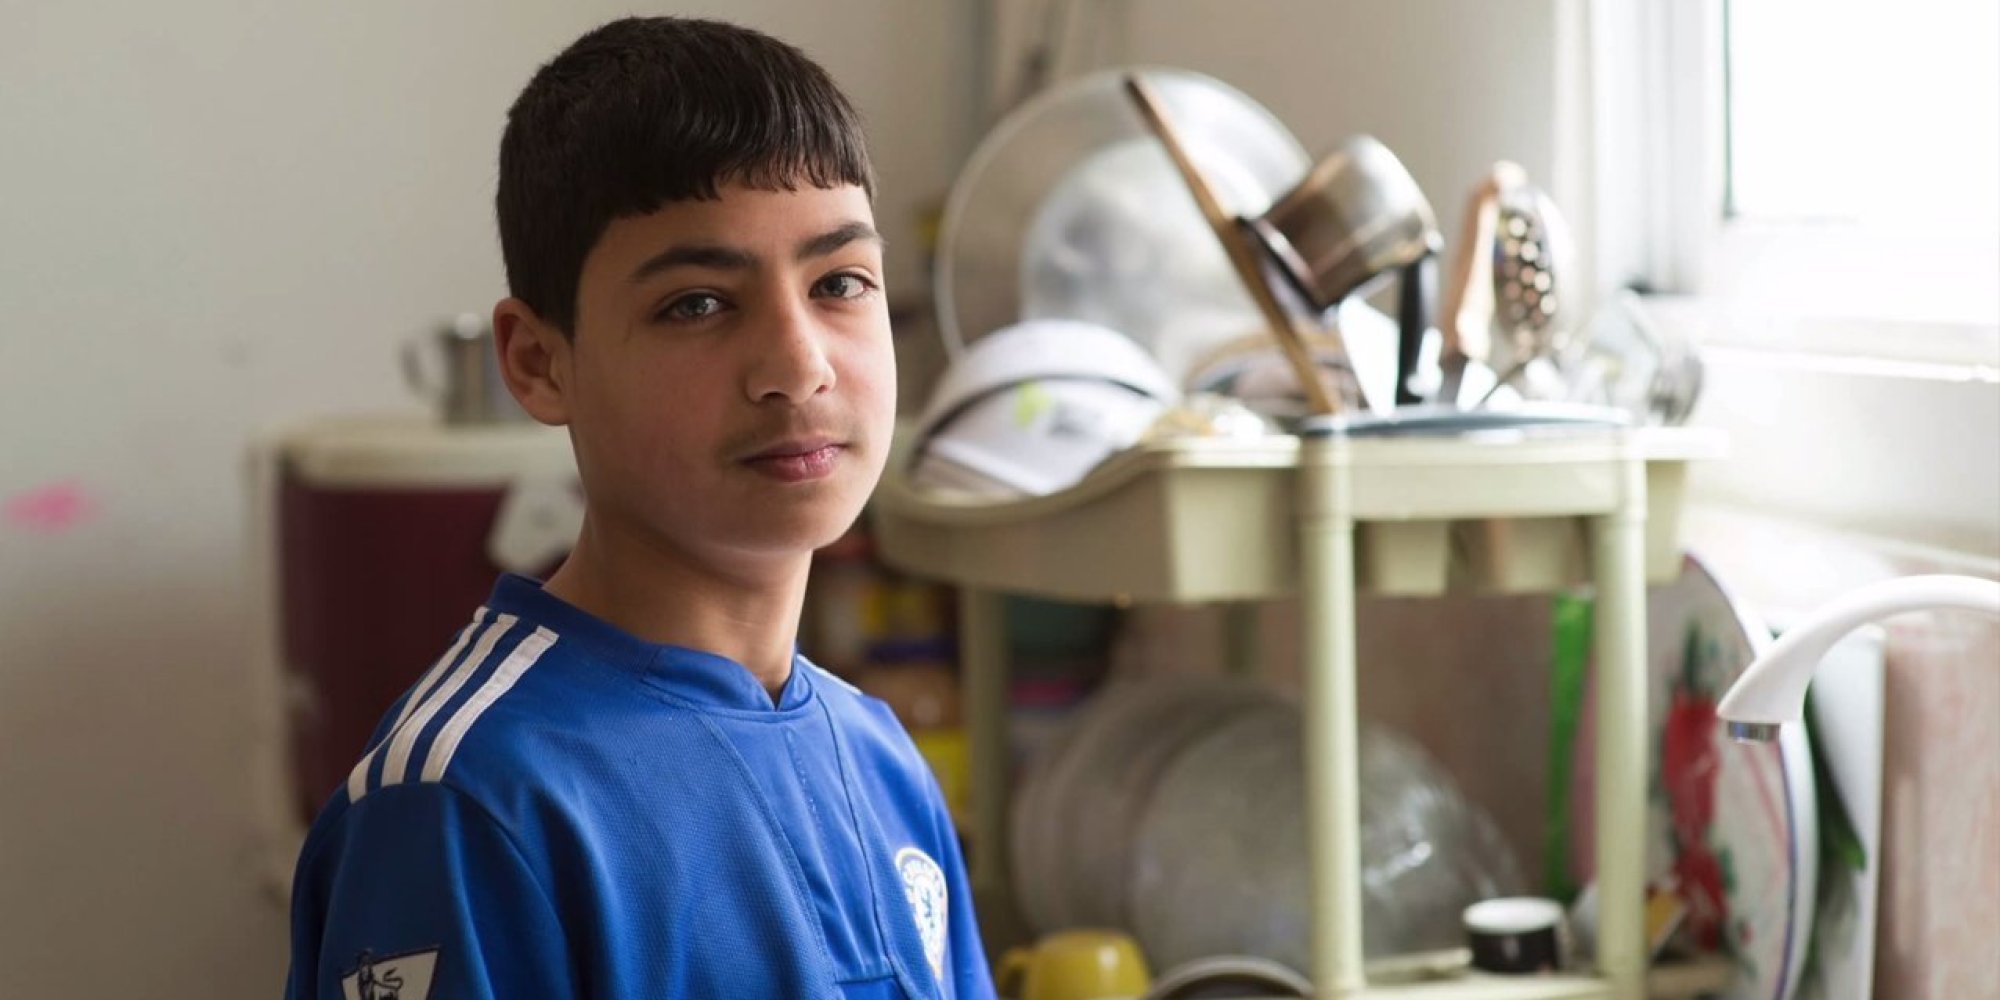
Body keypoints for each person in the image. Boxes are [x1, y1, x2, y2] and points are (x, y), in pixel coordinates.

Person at [284, 17, 994, 999]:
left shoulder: (883, 762)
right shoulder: (471, 797)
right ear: (539, 361)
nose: (798, 365)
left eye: (839, 282)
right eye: (696, 303)